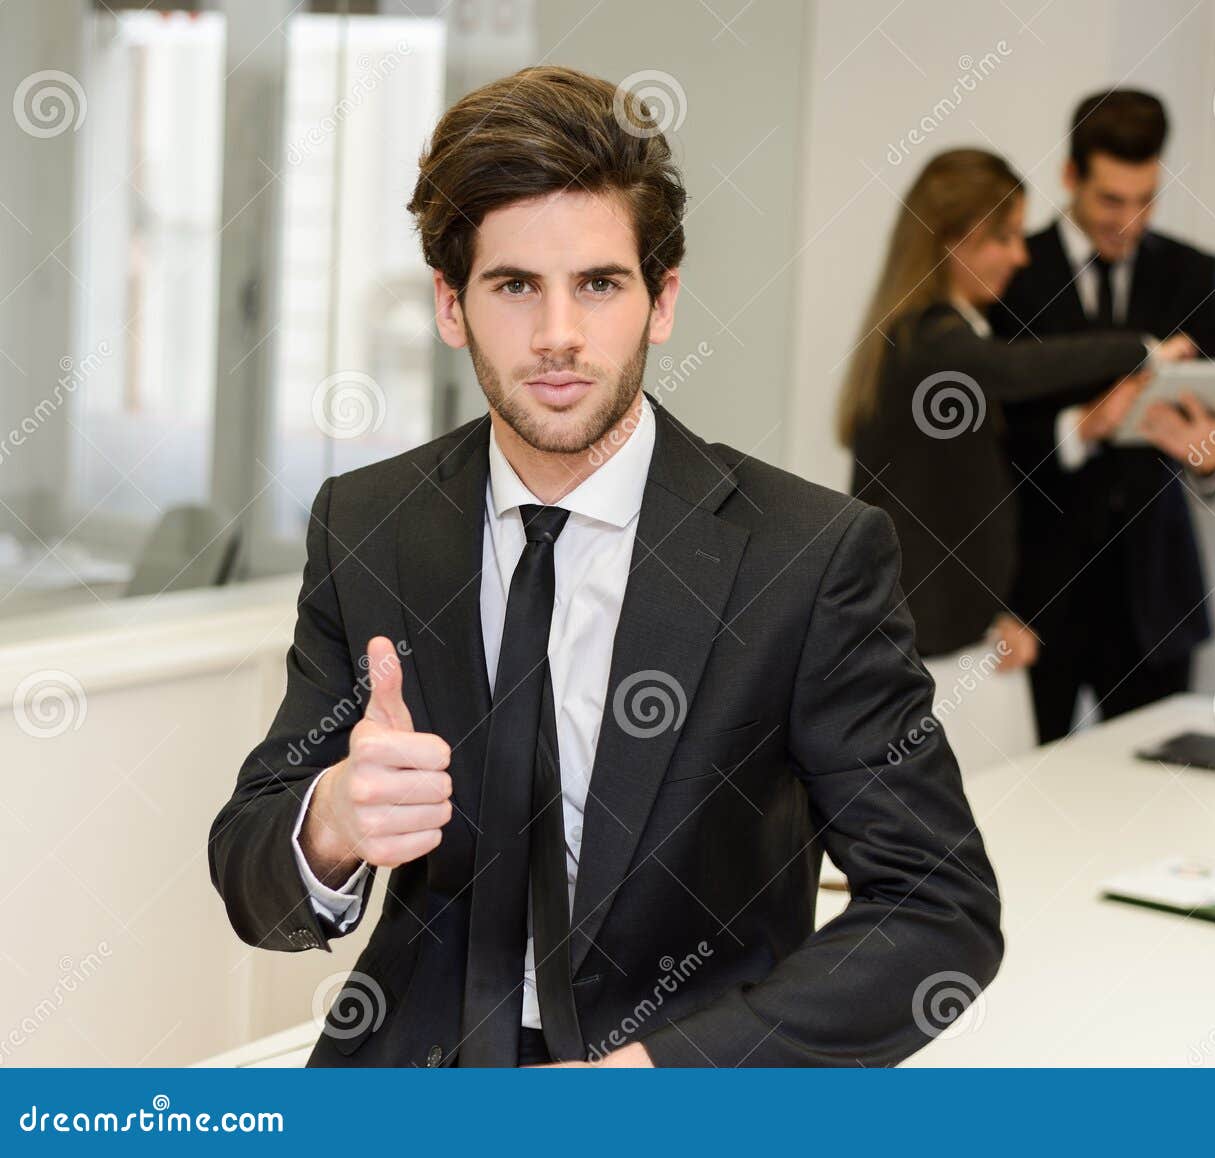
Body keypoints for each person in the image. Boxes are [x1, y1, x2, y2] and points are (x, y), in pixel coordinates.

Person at [208, 66, 1002, 1069]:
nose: (557, 337)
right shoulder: (369, 523)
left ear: (661, 301)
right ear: (451, 307)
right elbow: (252, 881)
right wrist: (328, 824)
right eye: (513, 286)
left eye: (598, 283)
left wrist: (666, 1080)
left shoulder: (806, 558)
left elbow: (938, 910)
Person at [842, 148, 1176, 764]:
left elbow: (957, 507)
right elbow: (1016, 371)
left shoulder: (935, 334)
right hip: (930, 650)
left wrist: (992, 616)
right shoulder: (934, 341)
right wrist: (1142, 349)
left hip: (952, 636)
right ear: (949, 240)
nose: (1020, 257)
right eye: (1003, 237)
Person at [989, 89, 1215, 745]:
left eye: (1147, 200)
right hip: (1037, 591)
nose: (1129, 221)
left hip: (1154, 591)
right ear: (1070, 178)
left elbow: (1210, 442)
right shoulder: (1013, 272)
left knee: (1156, 796)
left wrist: (1212, 456)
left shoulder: (1192, 273)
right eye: (1110, 201)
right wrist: (1085, 426)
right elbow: (990, 439)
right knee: (1027, 795)